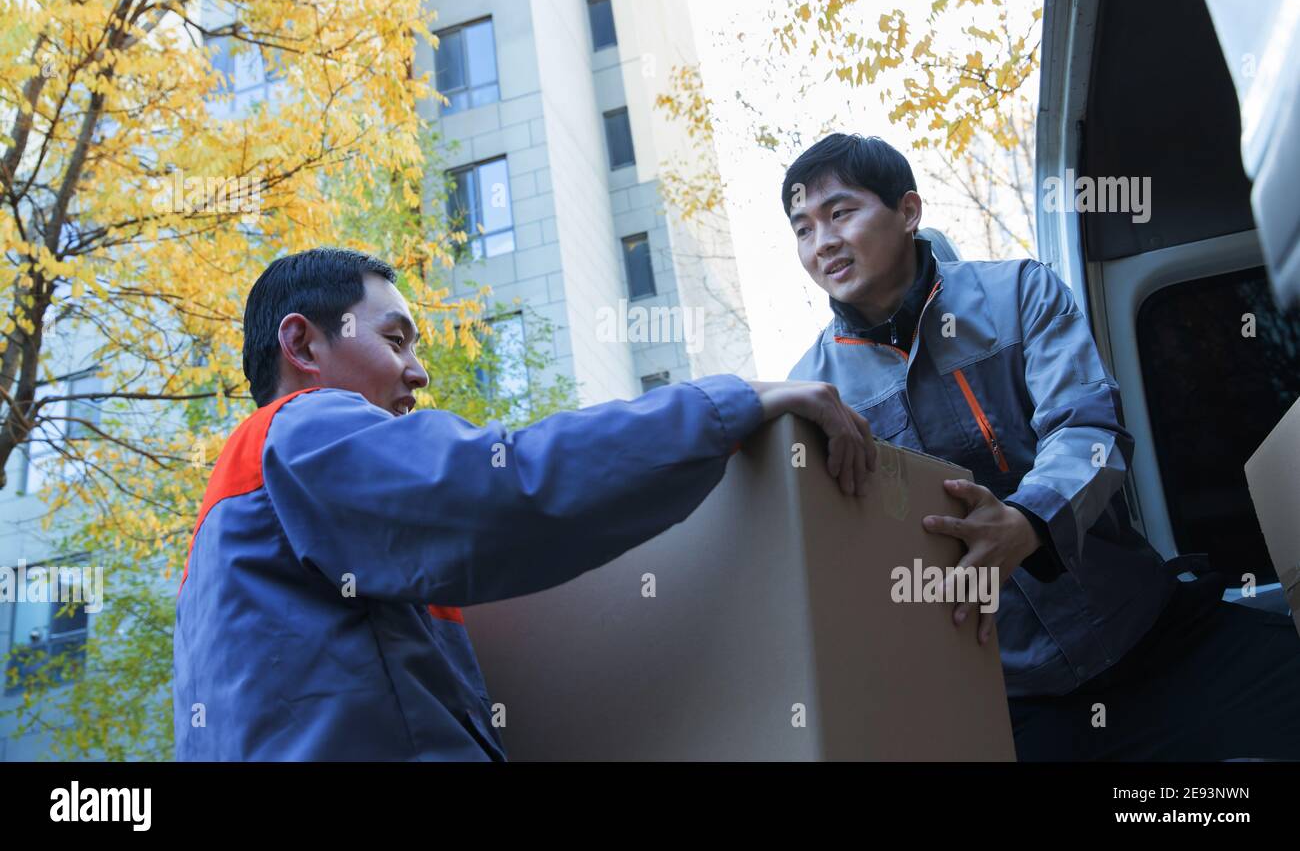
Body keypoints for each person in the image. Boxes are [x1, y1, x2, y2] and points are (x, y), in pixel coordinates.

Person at [173, 246, 875, 760]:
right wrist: (732, 405)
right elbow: (510, 489)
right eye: (394, 340)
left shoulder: (225, 538)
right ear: (301, 343)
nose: (418, 373)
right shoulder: (302, 433)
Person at [783, 133, 1300, 760]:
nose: (823, 242)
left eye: (840, 213)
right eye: (803, 228)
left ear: (909, 211)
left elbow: (1089, 428)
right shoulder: (814, 394)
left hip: (1151, 633)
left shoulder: (1019, 293)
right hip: (1015, 704)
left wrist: (1029, 521)